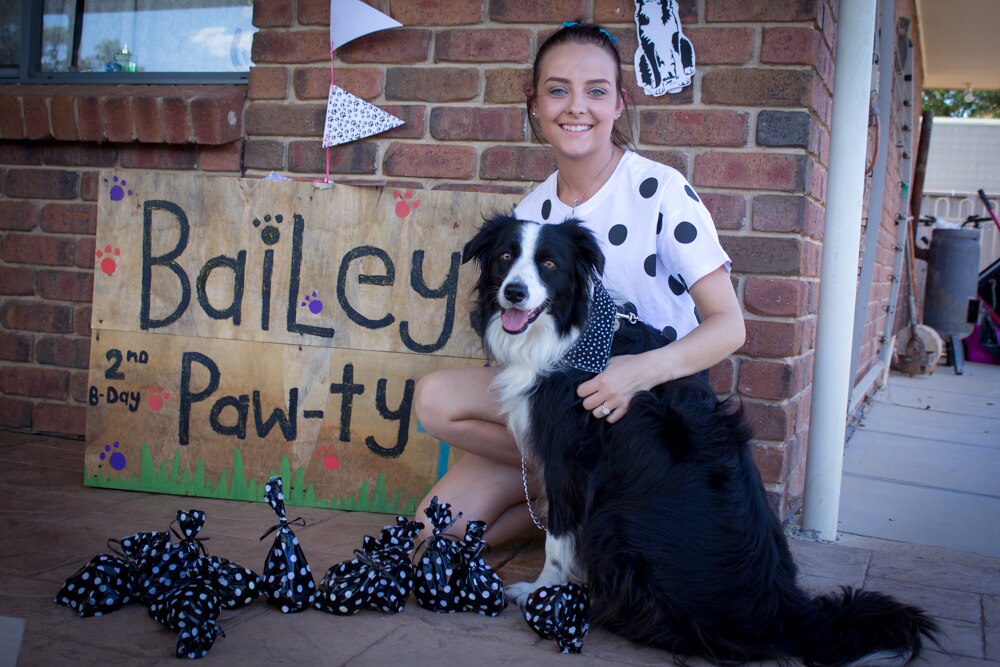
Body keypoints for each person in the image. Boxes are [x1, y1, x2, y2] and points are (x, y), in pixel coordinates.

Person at [412, 21, 745, 546]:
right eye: (557, 90)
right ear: (535, 103)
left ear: (618, 103)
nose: (576, 107)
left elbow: (729, 327)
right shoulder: (530, 214)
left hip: (642, 409)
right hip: (552, 405)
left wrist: (638, 371)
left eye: (595, 91)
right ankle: (567, 487)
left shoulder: (661, 191)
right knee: (432, 526)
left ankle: (586, 499)